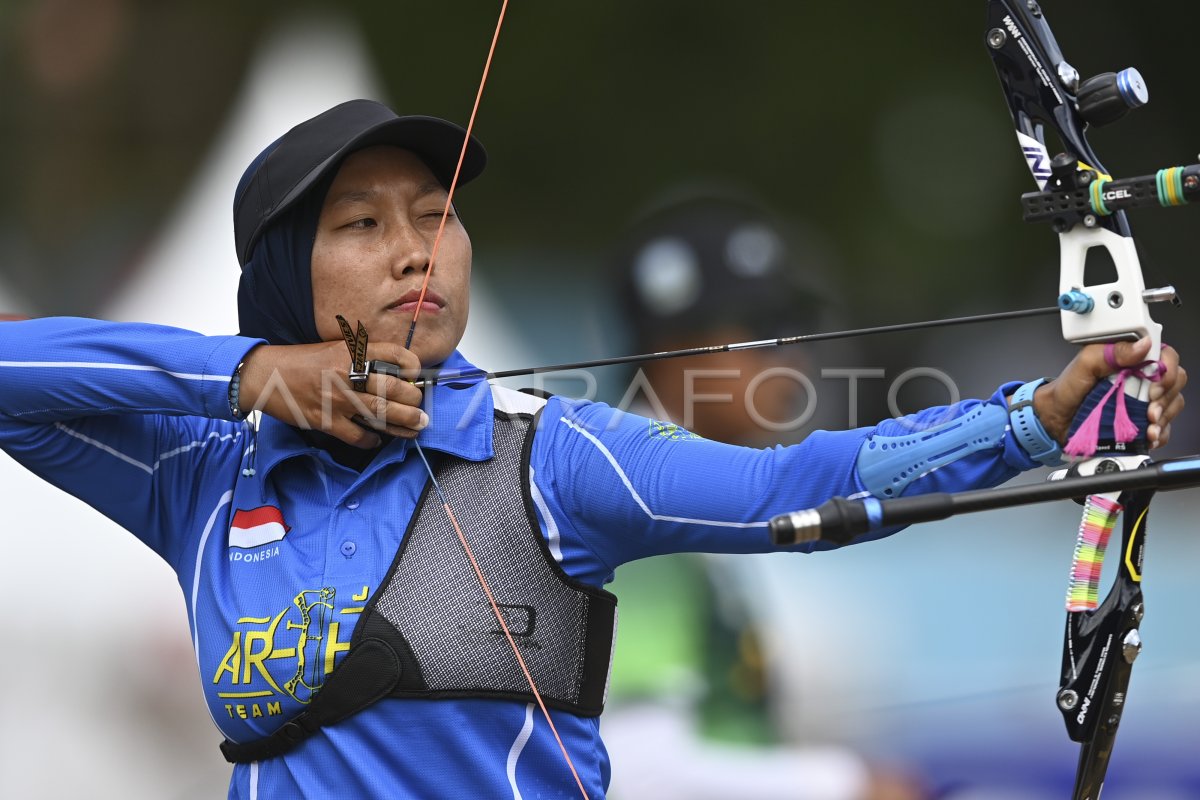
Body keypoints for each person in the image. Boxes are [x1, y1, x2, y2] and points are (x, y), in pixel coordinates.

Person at [0, 99, 1185, 800]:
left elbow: (793, 480)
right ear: (281, 278)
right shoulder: (203, 479)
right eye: (365, 224)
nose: (420, 251)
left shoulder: (549, 457)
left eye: (438, 216)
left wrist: (1039, 414)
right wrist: (248, 373)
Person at [601, 192, 924, 800]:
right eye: (763, 332)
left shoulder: (677, 495)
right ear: (674, 348)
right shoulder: (636, 507)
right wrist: (851, 788)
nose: (793, 358)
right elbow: (631, 771)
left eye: (792, 331)